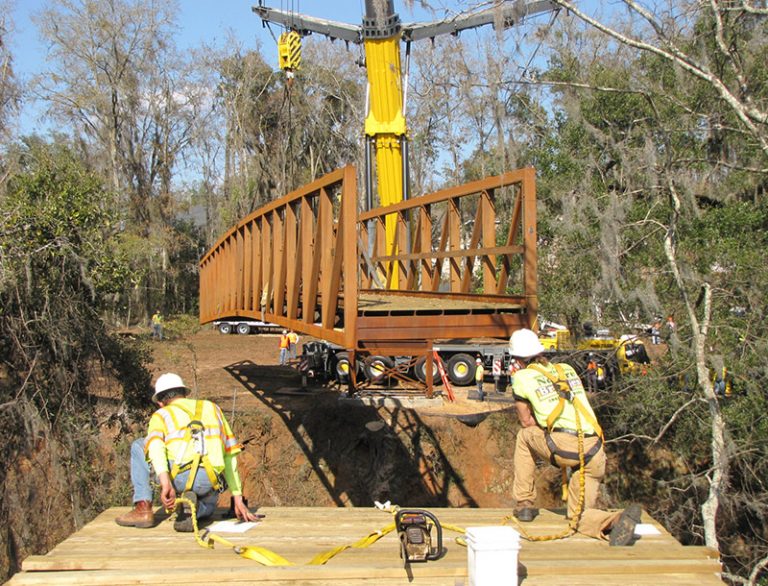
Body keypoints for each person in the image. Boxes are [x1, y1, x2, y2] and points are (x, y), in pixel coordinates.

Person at [508, 328, 640, 545]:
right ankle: (613, 522)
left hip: (564, 445)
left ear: (518, 358)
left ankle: (524, 504)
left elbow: (526, 422)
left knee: (524, 436)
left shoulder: (522, 377)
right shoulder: (566, 369)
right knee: (576, 516)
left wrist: (545, 426)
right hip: (595, 449)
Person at [115, 373, 258, 532]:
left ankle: (143, 508)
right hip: (209, 481)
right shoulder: (213, 409)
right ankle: (197, 509)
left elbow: (156, 446)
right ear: (184, 393)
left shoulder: (161, 415)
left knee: (138, 445)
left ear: (161, 403)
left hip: (179, 477)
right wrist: (237, 496)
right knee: (209, 506)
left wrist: (165, 483)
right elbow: (230, 454)